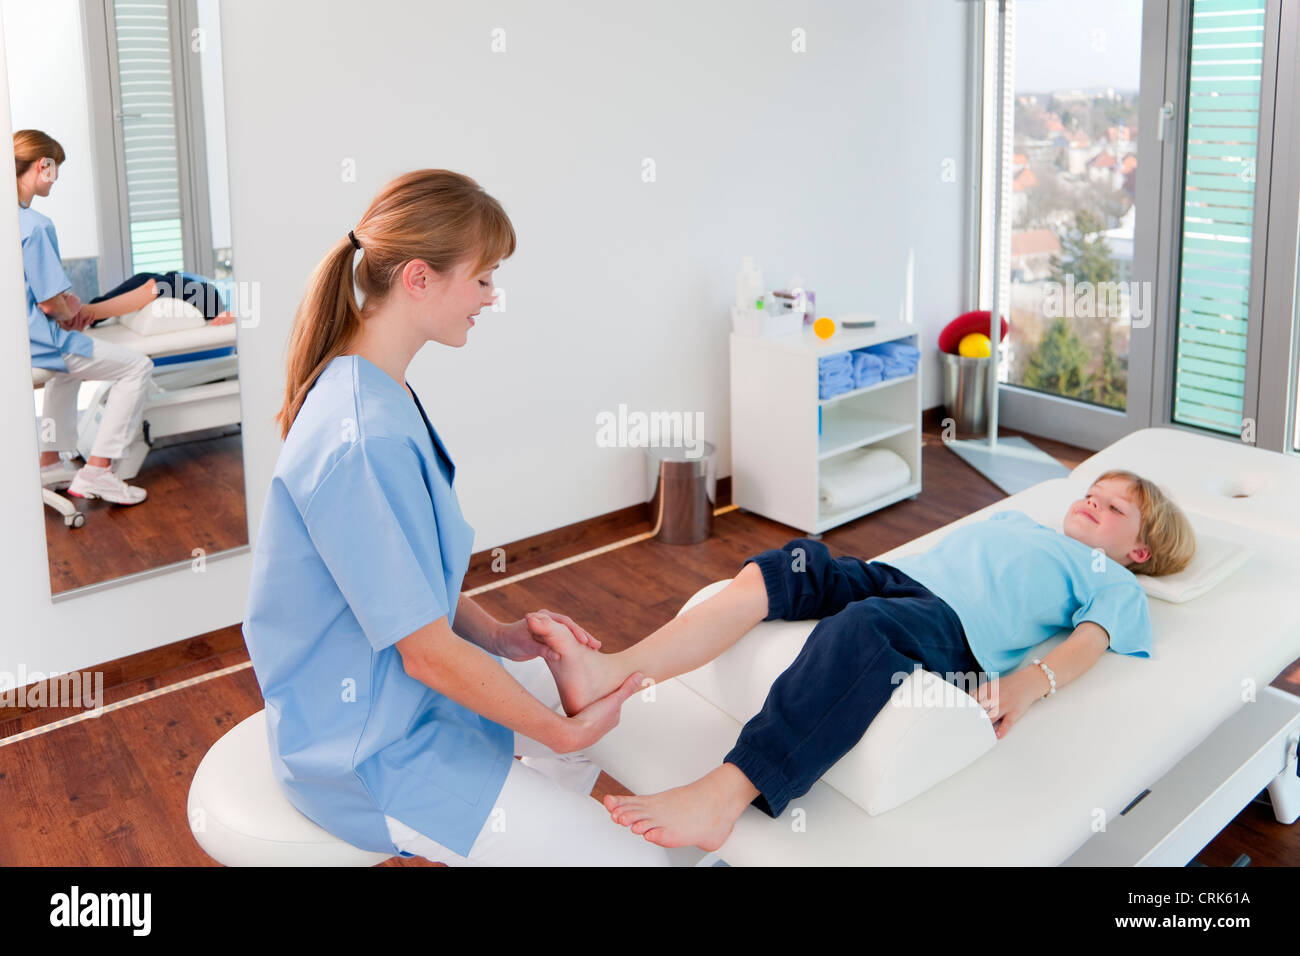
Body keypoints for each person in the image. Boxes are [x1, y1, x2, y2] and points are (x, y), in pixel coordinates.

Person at [242, 169, 671, 866]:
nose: (490, 297)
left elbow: (403, 584)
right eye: (482, 279)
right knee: (634, 854)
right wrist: (562, 735)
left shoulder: (378, 388)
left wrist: (498, 635)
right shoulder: (361, 437)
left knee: (601, 708)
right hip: (370, 749)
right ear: (419, 278)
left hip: (413, 696)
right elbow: (423, 651)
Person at [534, 470, 1197, 852]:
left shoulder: (1112, 579)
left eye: (1115, 510)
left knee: (866, 629)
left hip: (948, 625)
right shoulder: (1024, 525)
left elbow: (1092, 639)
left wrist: (1030, 683)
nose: (1094, 502)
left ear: (1138, 551)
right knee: (788, 567)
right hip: (884, 573)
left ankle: (725, 793)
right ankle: (616, 668)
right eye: (1095, 492)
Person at [17, 129, 154, 504]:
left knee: (66, 378)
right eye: (55, 167)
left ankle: (48, 462)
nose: (56, 177)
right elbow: (49, 304)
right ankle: (98, 471)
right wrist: (69, 312)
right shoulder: (34, 225)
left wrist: (65, 303)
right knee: (137, 367)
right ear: (43, 165)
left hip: (20, 342)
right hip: (43, 342)